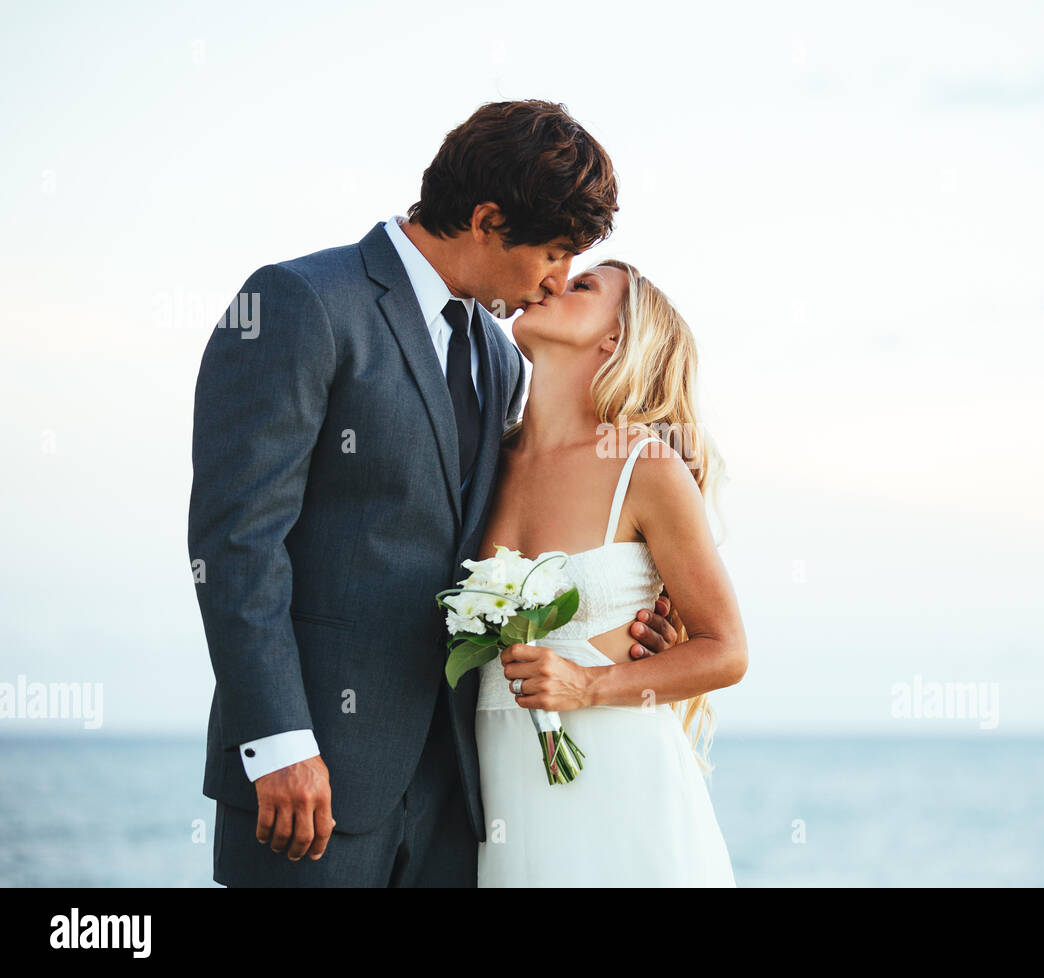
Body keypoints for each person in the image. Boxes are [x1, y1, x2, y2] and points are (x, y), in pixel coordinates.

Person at [188, 100, 678, 887]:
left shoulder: (498, 356)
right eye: (554, 253)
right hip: (310, 779)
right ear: (487, 218)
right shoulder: (301, 303)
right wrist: (276, 739)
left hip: (461, 785)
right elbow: (236, 542)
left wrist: (621, 621)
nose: (556, 280)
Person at [474, 259, 747, 886]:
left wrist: (586, 685)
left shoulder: (644, 466)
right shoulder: (484, 460)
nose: (551, 283)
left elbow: (727, 650)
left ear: (615, 339)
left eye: (582, 287)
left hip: (621, 786)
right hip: (500, 786)